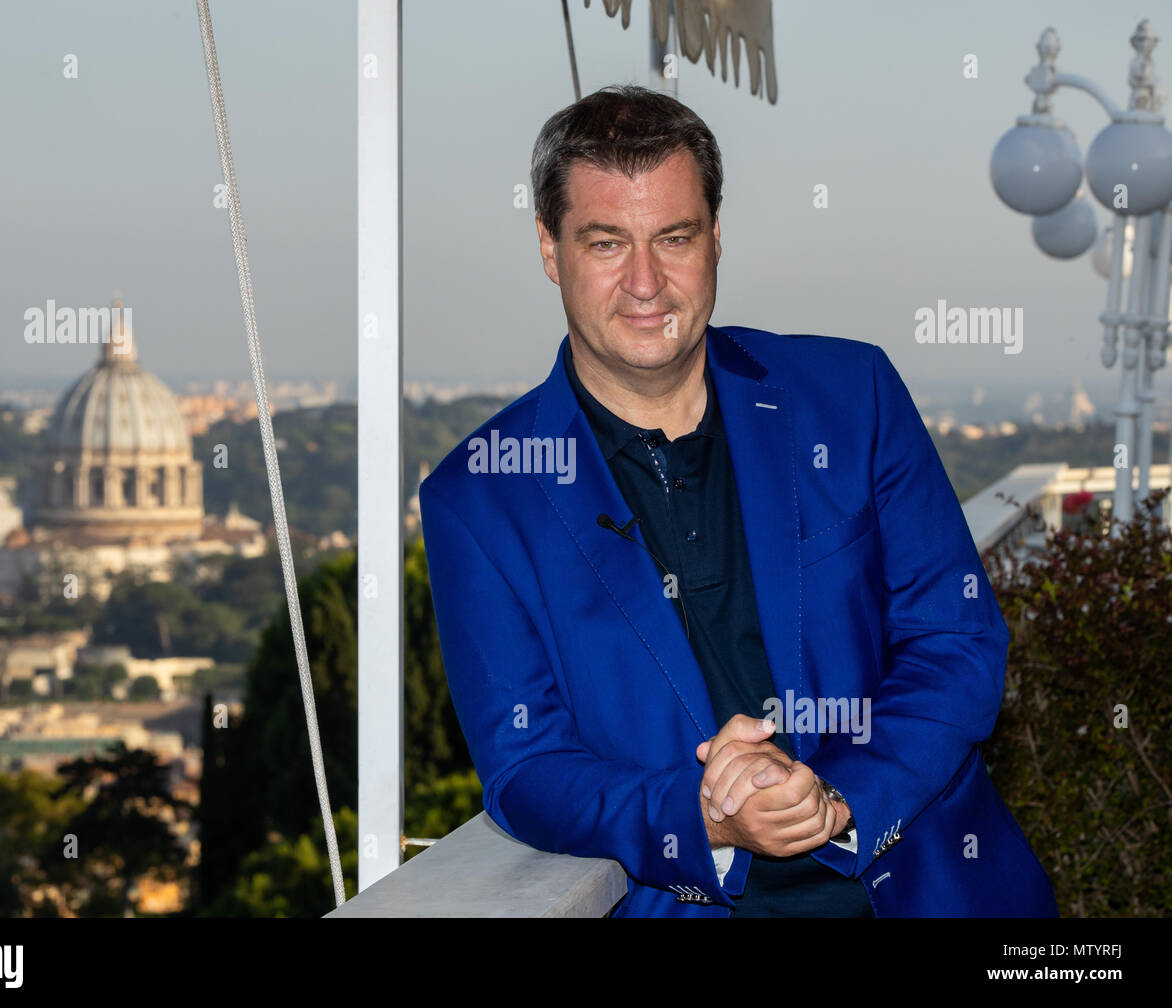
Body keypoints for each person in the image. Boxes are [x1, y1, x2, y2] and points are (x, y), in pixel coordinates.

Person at [418, 84, 1057, 917]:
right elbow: (526, 766)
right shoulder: (479, 498)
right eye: (606, 242)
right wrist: (703, 818)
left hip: (926, 890)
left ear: (716, 237)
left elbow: (957, 638)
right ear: (549, 247)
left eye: (673, 237)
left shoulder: (851, 396)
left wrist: (840, 799)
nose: (645, 283)